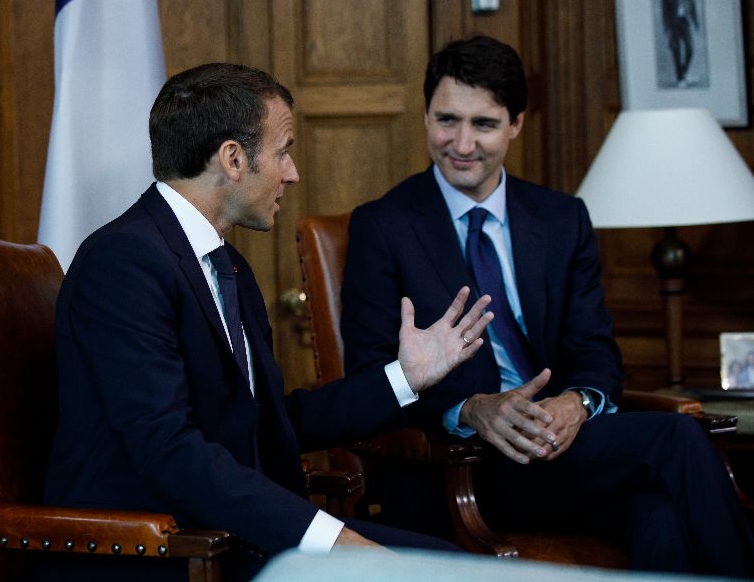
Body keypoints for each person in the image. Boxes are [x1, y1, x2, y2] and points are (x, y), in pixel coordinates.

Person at [40, 62, 494, 580]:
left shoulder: (225, 264)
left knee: (454, 566)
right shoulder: (123, 261)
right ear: (233, 158)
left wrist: (404, 378)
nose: (292, 171)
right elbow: (168, 449)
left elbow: (269, 422)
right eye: (283, 151)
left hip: (230, 535)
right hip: (163, 552)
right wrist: (333, 540)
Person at [341, 35, 754, 576]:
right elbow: (372, 374)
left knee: (659, 516)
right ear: (424, 117)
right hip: (462, 466)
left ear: (515, 123)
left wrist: (577, 404)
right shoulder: (384, 226)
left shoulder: (562, 220)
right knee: (676, 437)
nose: (462, 143)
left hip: (562, 451)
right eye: (447, 120)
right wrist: (469, 410)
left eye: (483, 124)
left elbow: (595, 351)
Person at [661, 0, 699, 87]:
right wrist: (666, 28)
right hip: (674, 24)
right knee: (676, 50)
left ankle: (684, 72)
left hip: (685, 22)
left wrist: (696, 23)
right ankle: (680, 79)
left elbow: (693, 7)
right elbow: (665, 12)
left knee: (690, 49)